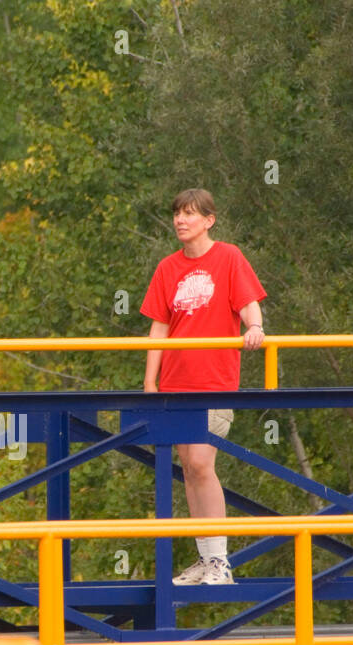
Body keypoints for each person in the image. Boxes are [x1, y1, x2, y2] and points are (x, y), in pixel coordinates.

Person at [139, 188, 266, 585]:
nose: (180, 220)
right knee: (189, 471)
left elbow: (248, 303)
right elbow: (159, 326)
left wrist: (256, 327)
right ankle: (207, 557)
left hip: (215, 384)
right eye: (177, 213)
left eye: (190, 214)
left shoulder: (229, 257)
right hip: (176, 386)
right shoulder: (167, 268)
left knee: (200, 463)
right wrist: (149, 381)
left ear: (209, 220)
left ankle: (220, 562)